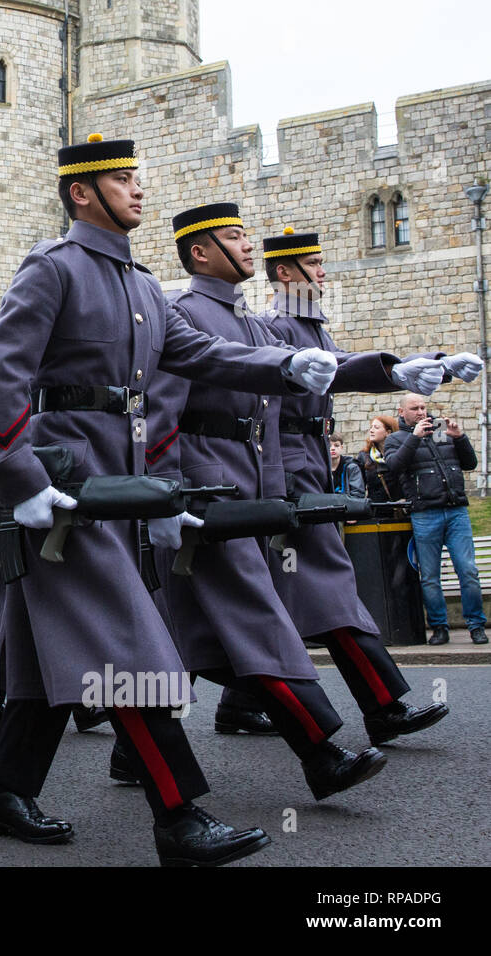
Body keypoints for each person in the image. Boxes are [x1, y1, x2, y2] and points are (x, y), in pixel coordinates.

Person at [0, 134, 343, 866]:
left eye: (138, 179)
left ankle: (6, 792)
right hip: (68, 489)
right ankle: (178, 815)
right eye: (123, 180)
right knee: (128, 646)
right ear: (83, 192)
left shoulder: (139, 285)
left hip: (121, 488)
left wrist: (288, 363)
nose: (139, 190)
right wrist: (20, 483)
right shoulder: (54, 270)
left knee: (55, 661)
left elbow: (202, 354)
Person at [130, 201, 390, 803]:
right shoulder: (185, 313)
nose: (251, 248)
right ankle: (321, 753)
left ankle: (130, 746)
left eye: (248, 237)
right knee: (254, 616)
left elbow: (296, 386)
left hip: (245, 484)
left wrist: (395, 369)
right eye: (235, 238)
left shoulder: (250, 321)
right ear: (200, 252)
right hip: (205, 488)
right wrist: (168, 493)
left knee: (190, 629)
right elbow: (161, 414)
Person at [261, 228, 481, 742]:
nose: (323, 271)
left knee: (264, 587)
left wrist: (435, 368)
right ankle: (382, 706)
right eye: (312, 264)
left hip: (310, 456)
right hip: (290, 462)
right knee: (328, 581)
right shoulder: (277, 326)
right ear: (284, 273)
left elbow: (348, 366)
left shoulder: (310, 326)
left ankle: (232, 702)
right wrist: (402, 373)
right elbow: (333, 375)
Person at [385, 393, 487, 645]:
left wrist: (460, 437)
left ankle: (476, 625)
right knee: (430, 576)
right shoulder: (396, 439)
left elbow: (470, 463)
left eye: (423, 407)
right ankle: (439, 627)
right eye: (415, 408)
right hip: (424, 513)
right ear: (402, 413)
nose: (421, 412)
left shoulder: (441, 430)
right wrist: (414, 437)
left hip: (456, 511)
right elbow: (395, 467)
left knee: (469, 571)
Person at [357, 415, 401, 503]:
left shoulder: (400, 454)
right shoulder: (364, 456)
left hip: (400, 508)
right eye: (371, 427)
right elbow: (359, 487)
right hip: (376, 509)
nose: (371, 430)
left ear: (388, 432)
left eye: (376, 427)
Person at [329, 433, 365, 498]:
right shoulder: (321, 467)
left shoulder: (351, 467)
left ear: (341, 447)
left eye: (336, 445)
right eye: (329, 446)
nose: (332, 448)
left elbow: (357, 494)